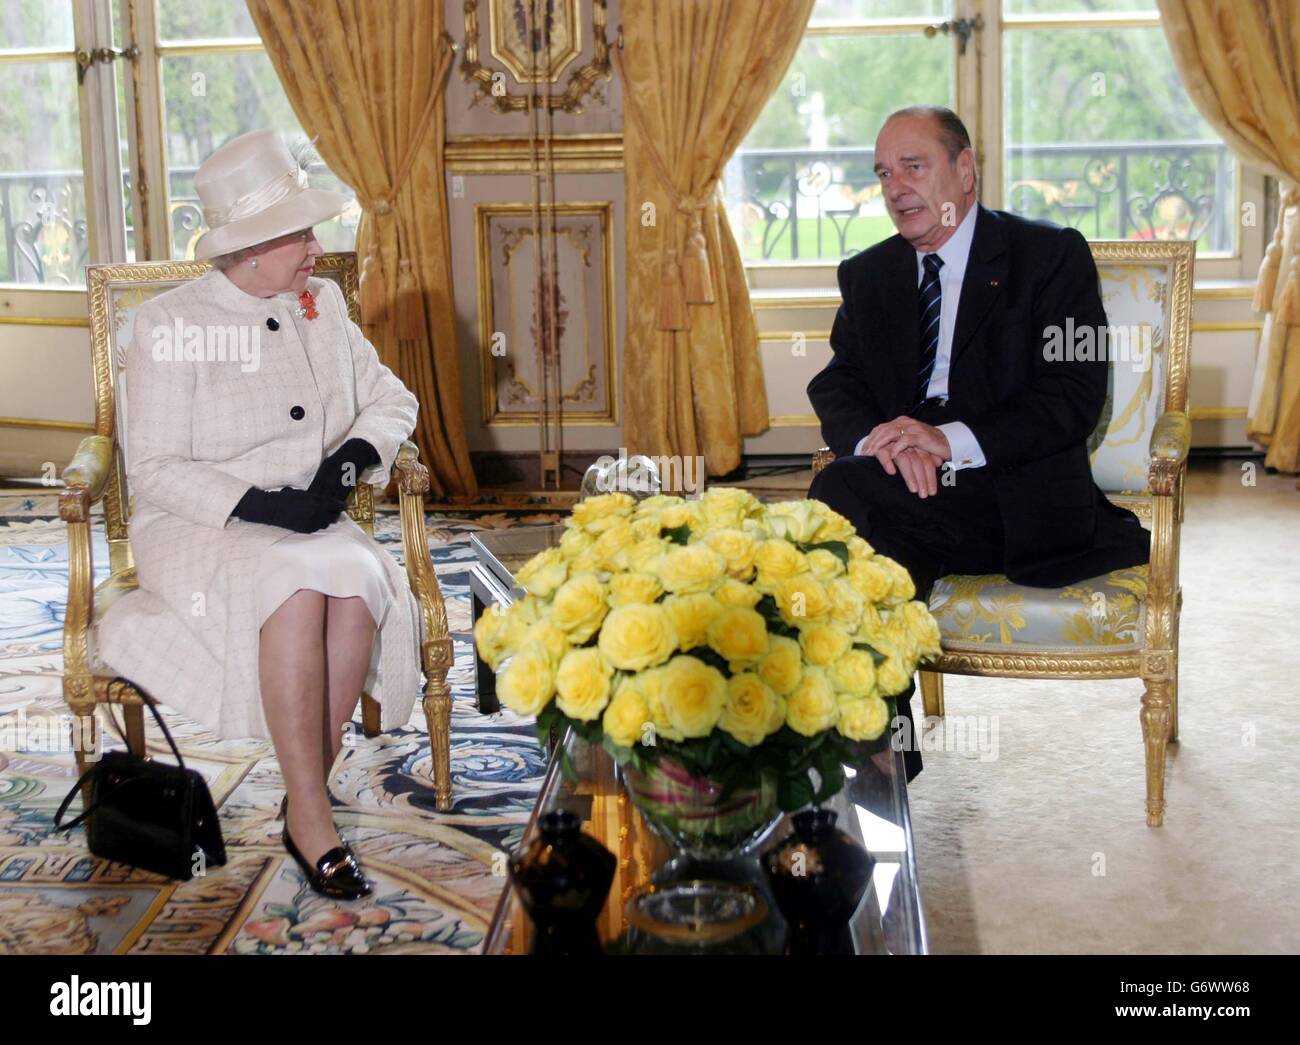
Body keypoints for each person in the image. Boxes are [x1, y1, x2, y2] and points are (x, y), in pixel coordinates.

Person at [97, 129, 421, 900]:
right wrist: (262, 502)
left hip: (310, 520)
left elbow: (392, 398)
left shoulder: (324, 302)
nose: (318, 246)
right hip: (203, 524)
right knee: (300, 584)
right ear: (248, 251)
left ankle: (307, 792)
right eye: (301, 234)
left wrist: (346, 465)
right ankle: (312, 814)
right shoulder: (171, 326)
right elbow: (155, 470)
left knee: (352, 585)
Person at [807, 105, 1150, 782]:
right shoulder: (871, 273)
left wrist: (945, 439)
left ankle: (872, 755)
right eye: (883, 173)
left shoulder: (1048, 257)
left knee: (842, 500)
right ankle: (877, 759)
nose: (896, 187)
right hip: (903, 490)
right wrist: (885, 441)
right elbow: (838, 382)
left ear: (964, 171)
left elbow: (1072, 397)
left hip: (1013, 496)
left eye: (914, 165)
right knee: (869, 529)